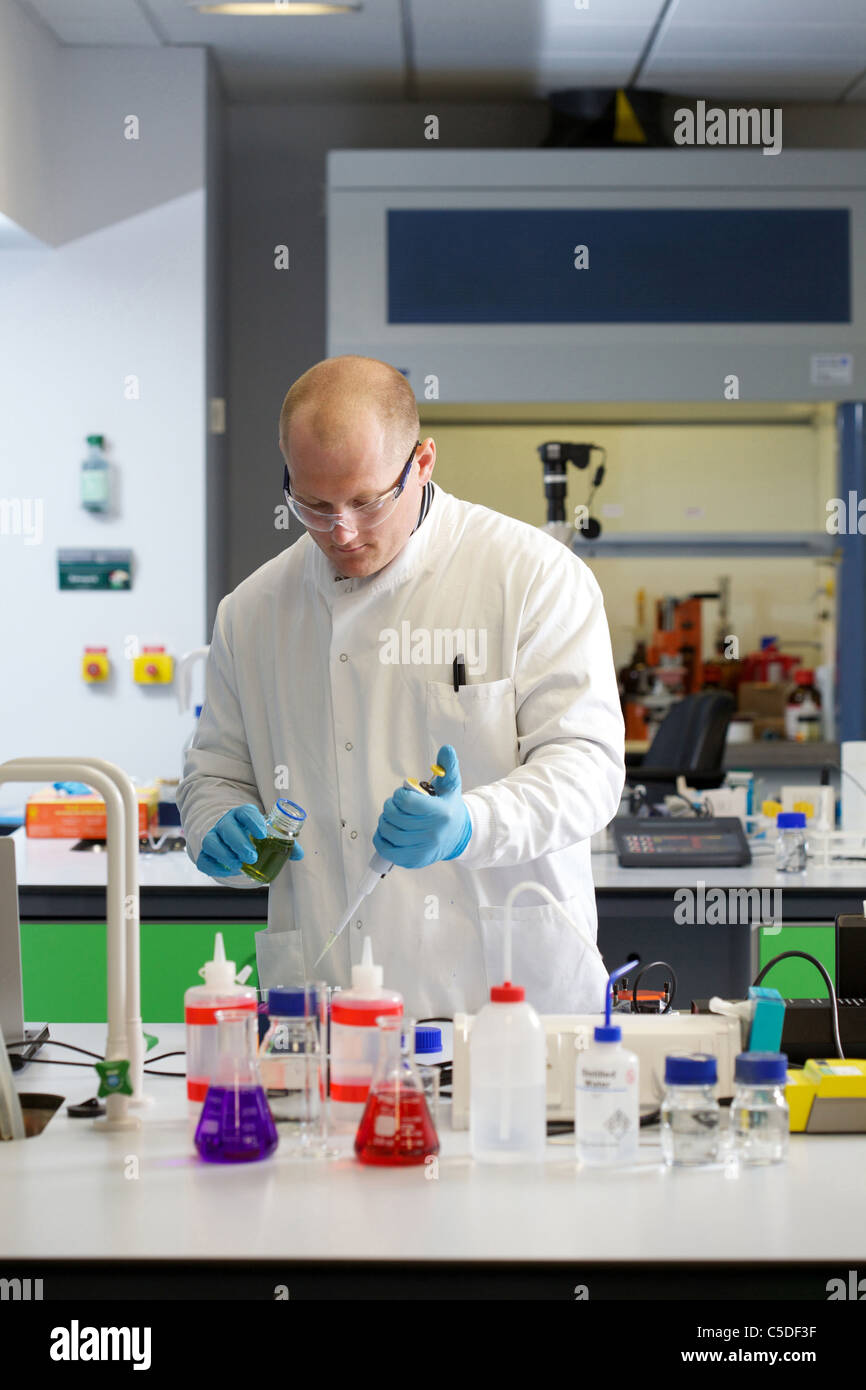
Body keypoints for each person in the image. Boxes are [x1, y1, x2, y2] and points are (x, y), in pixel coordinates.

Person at [177, 355, 625, 1016]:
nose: (343, 532)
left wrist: (470, 822)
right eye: (314, 505)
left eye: (365, 500)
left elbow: (588, 771)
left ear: (422, 462)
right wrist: (214, 823)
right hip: (328, 1007)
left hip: (507, 1002)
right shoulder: (252, 612)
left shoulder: (531, 577)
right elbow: (214, 774)